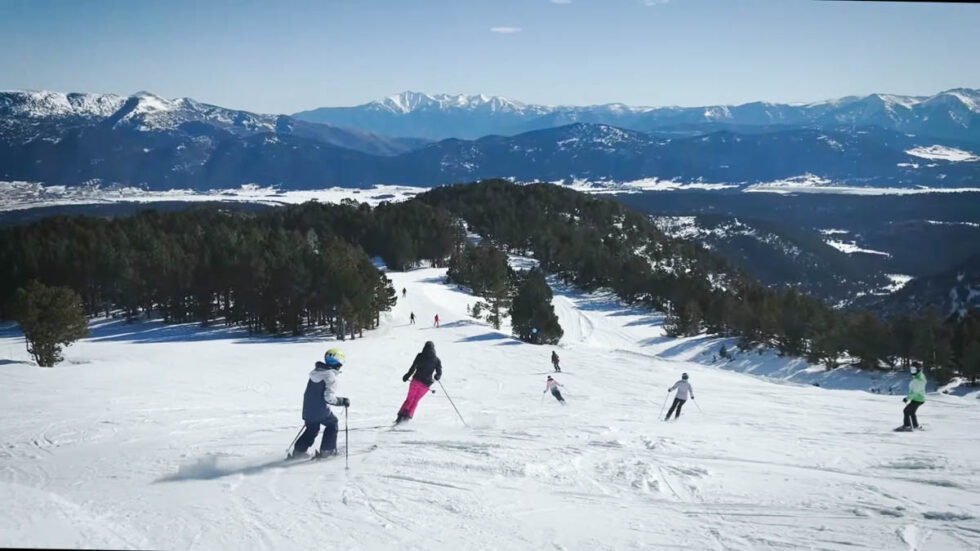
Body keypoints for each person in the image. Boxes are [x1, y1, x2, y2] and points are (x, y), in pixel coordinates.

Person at [288, 349, 350, 460]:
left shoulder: (317, 371)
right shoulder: (330, 376)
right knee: (332, 423)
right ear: (338, 363)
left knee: (312, 428)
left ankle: (299, 451)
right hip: (320, 409)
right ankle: (327, 451)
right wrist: (342, 401)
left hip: (308, 409)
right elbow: (328, 398)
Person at [396, 341, 442, 424]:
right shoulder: (436, 360)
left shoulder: (420, 356)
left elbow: (413, 367)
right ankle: (407, 417)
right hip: (426, 384)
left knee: (410, 398)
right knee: (416, 400)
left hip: (416, 380)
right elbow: (439, 372)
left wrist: (407, 375)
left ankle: (400, 416)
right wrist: (437, 376)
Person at [898, 362, 927, 431]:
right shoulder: (918, 376)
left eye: (914, 369)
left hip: (918, 399)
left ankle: (907, 426)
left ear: (918, 369)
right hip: (918, 398)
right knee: (911, 412)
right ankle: (915, 425)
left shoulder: (919, 380)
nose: (912, 371)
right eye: (911, 369)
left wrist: (907, 398)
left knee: (906, 411)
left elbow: (915, 392)